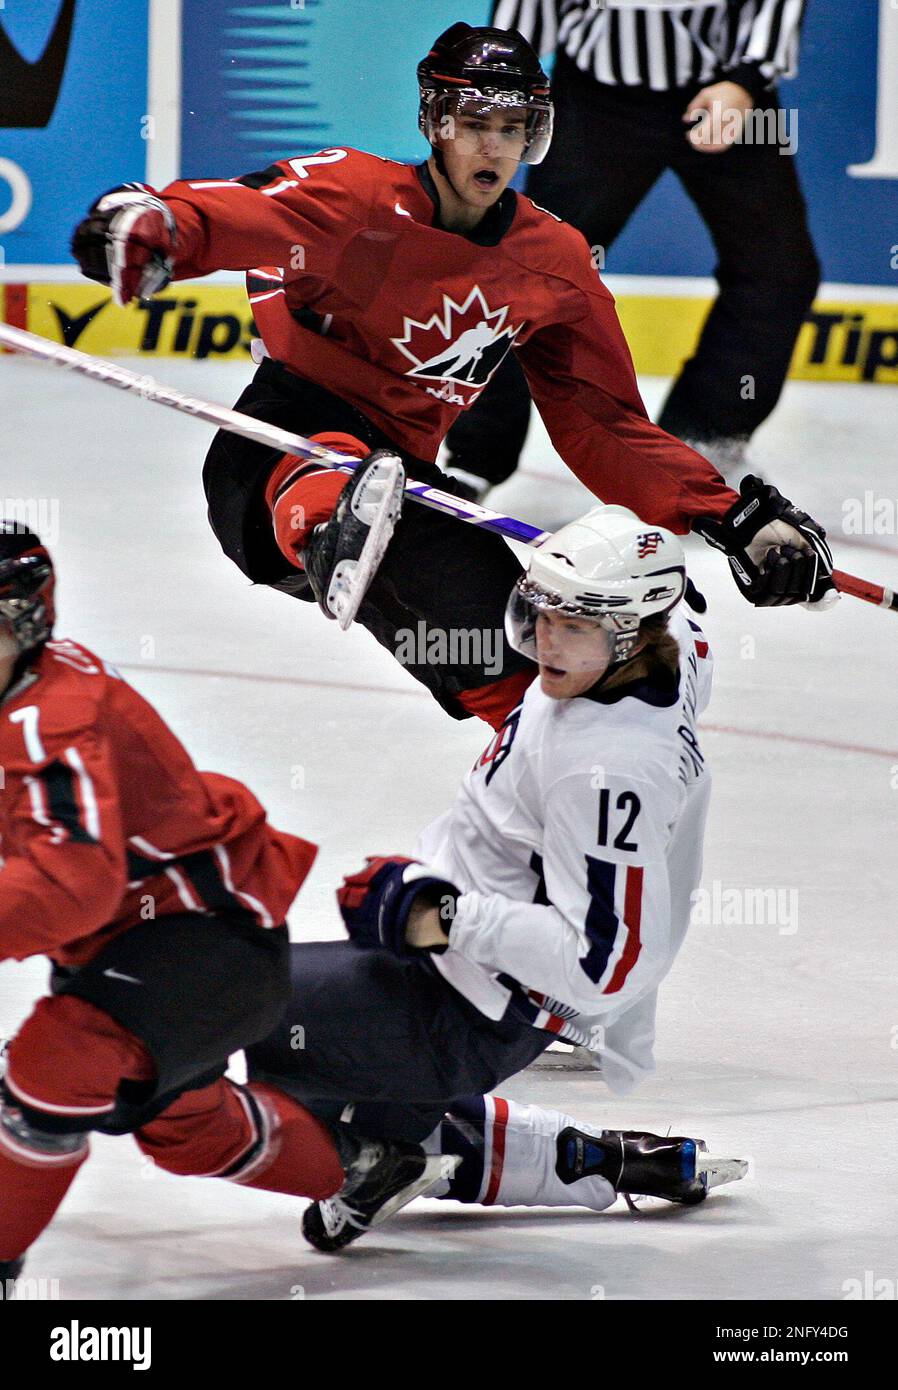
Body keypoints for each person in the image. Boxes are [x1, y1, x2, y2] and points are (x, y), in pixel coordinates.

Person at [70, 21, 835, 736]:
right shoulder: (354, 198)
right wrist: (154, 222)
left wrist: (732, 517)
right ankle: (329, 525)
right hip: (276, 453)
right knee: (337, 470)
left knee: (509, 656)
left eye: (513, 129)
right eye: (475, 124)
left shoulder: (553, 262)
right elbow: (237, 215)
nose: (493, 149)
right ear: (436, 123)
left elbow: (601, 423)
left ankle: (547, 798)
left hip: (402, 487)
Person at [242, 503, 746, 1251]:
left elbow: (607, 962)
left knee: (220, 1017)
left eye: (572, 625)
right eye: (541, 613)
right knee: (324, 1064)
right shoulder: (671, 643)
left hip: (464, 1006)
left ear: (631, 633)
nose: (544, 639)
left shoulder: (605, 772)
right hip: (471, 992)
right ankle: (601, 1162)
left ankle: (371, 1152)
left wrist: (443, 916)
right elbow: (675, 587)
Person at [0, 523, 448, 1293]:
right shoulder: (23, 689)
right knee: (183, 1128)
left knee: (54, 1069)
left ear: (27, 623)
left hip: (205, 943)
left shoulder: (53, 722)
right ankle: (363, 1167)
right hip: (149, 943)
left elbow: (73, 884)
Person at [446, 1, 820, 492]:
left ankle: (705, 436)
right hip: (597, 99)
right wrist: (501, 84)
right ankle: (475, 456)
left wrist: (747, 79)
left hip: (723, 88)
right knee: (525, 272)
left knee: (779, 270)